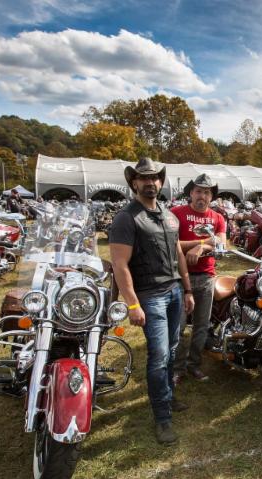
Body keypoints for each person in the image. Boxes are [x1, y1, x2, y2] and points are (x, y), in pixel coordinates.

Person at [109, 158, 195, 445]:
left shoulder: (169, 216)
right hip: (150, 296)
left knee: (171, 349)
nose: (150, 182)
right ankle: (162, 417)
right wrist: (133, 304)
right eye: (143, 178)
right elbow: (119, 264)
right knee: (158, 355)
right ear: (133, 182)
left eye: (155, 178)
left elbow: (178, 255)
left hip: (173, 292)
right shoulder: (127, 217)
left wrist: (187, 289)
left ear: (161, 181)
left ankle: (168, 397)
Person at [171, 174, 226, 383]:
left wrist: (200, 246)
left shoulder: (218, 217)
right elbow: (171, 243)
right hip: (179, 278)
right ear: (191, 193)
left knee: (202, 325)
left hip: (206, 277)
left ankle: (194, 365)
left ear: (211, 196)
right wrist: (201, 242)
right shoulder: (176, 214)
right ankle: (177, 369)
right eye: (198, 191)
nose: (202, 195)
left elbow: (221, 243)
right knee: (178, 326)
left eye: (206, 192)